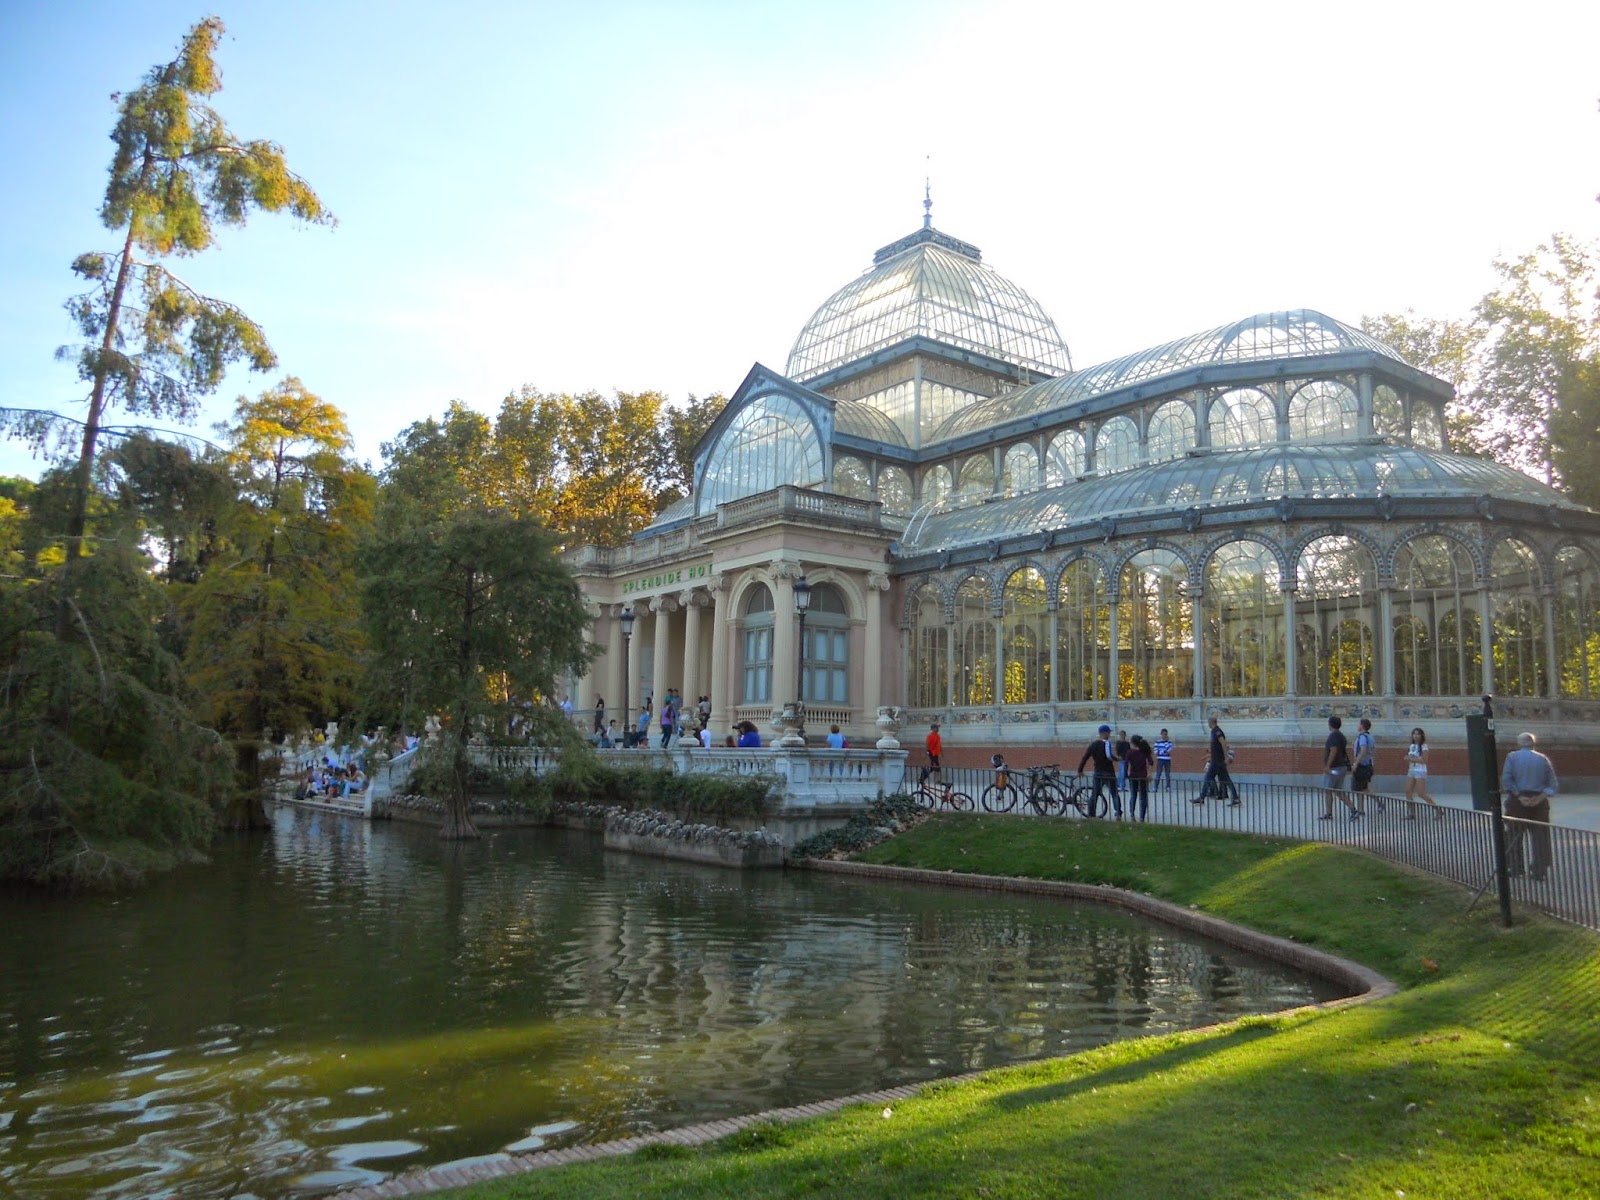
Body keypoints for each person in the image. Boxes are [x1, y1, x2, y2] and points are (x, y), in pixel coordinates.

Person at [1501, 732, 1557, 881]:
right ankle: (1540, 870)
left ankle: (1515, 866)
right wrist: (1540, 797)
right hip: (1539, 801)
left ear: (1519, 743)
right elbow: (1553, 784)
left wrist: (1519, 796)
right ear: (1533, 743)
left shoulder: (1512, 757)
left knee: (1514, 835)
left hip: (1517, 801)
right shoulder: (1543, 759)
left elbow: (1507, 780)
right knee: (1540, 836)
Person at [1319, 716, 1359, 820]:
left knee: (1328, 790)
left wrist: (1328, 765)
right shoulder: (1340, 735)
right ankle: (1353, 809)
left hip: (1335, 768)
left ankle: (1329, 813)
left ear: (1330, 724)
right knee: (1338, 791)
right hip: (1341, 766)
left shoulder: (1334, 736)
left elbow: (1333, 750)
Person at [1078, 724, 1123, 818]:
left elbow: (1085, 757)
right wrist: (1117, 759)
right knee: (1114, 793)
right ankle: (1118, 812)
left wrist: (1080, 769)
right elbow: (1109, 755)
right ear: (1104, 733)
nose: (1109, 735)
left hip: (1097, 771)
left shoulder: (1093, 745)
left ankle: (1091, 814)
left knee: (1095, 794)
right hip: (1108, 772)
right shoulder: (1106, 743)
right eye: (1109, 733)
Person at [1194, 716, 1238, 805]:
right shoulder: (1214, 732)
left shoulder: (1217, 732)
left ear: (1211, 722)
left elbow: (1223, 743)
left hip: (1217, 760)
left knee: (1208, 777)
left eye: (1208, 722)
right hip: (1217, 760)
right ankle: (1235, 798)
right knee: (1227, 780)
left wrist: (1226, 757)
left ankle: (1202, 797)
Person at [1403, 727, 1442, 818]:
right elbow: (1411, 757)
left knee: (1421, 793)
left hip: (1420, 771)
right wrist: (1409, 759)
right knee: (1408, 791)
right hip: (1411, 770)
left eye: (1418, 734)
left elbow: (1424, 760)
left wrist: (1411, 759)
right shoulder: (1412, 746)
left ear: (1421, 736)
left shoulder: (1424, 746)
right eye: (1414, 734)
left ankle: (1438, 810)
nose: (1415, 736)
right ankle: (1412, 813)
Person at [1351, 717, 1381, 814]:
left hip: (1361, 765)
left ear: (1362, 726)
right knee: (1363, 788)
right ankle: (1375, 803)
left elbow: (1363, 750)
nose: (1357, 726)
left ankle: (1361, 809)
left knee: (1358, 788)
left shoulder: (1362, 737)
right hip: (1368, 764)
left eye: (1359, 724)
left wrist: (1356, 763)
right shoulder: (1370, 737)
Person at [1125, 734, 1153, 821]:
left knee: (1133, 795)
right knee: (1143, 796)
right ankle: (1142, 816)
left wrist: (1126, 774)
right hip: (1142, 775)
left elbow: (1126, 764)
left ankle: (1132, 814)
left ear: (1133, 743)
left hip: (1133, 776)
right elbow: (1151, 762)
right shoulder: (1144, 751)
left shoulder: (1129, 752)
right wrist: (1149, 773)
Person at [1152, 729, 1174, 793]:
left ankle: (1168, 787)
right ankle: (1155, 787)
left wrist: (1165, 743)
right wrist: (1163, 751)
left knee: (1167, 774)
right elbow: (1156, 751)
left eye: (1165, 734)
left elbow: (1169, 750)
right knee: (1158, 773)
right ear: (1161, 734)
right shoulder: (1157, 742)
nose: (1164, 735)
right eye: (1163, 734)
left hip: (1167, 759)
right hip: (1160, 759)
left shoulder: (1169, 742)